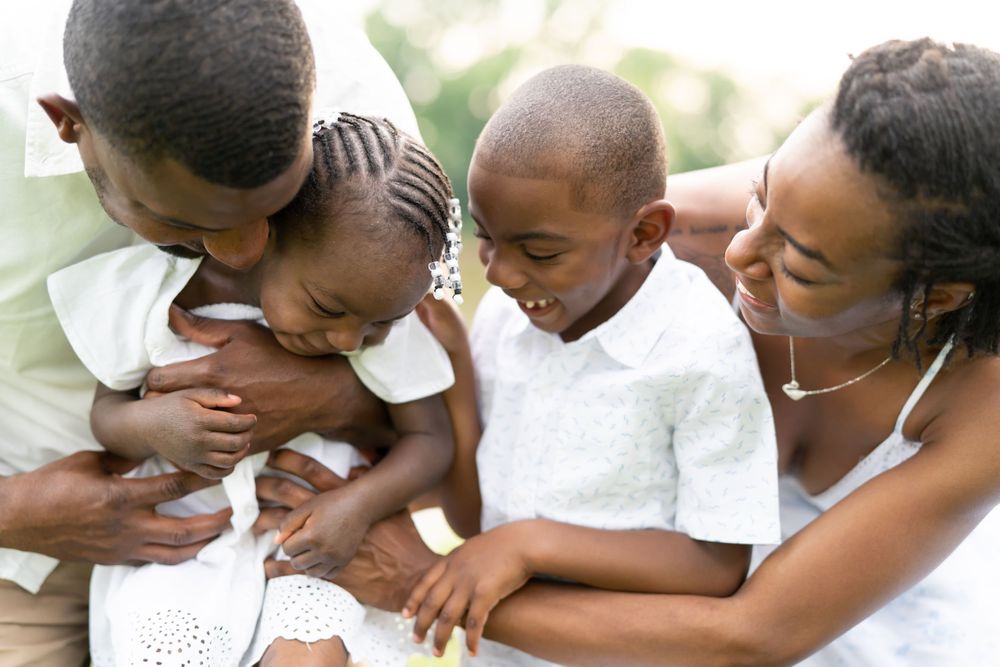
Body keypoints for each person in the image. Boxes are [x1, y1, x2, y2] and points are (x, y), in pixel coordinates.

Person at [261, 39, 1000, 666]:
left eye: (801, 266)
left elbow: (756, 632)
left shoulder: (982, 412)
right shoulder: (649, 239)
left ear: (935, 298)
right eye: (759, 194)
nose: (740, 250)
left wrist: (423, 581)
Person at [0, 0, 416, 663]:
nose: (248, 254)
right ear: (68, 122)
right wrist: (15, 511)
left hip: (290, 524)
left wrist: (330, 393)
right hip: (28, 529)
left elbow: (430, 351)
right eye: (187, 223)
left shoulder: (355, 109)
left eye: (276, 208)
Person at [48, 113, 459, 667]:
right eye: (327, 308)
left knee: (310, 651)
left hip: (310, 547)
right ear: (265, 237)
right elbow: (107, 418)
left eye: (378, 324)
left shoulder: (375, 306)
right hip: (185, 551)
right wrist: (156, 426)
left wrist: (358, 506)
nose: (348, 338)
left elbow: (431, 438)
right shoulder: (155, 296)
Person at [403, 65, 782, 663]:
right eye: (486, 237)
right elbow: (477, 522)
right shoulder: (509, 322)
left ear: (644, 233)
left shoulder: (699, 352)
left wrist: (529, 545)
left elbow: (718, 563)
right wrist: (454, 367)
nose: (498, 273)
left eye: (540, 250)